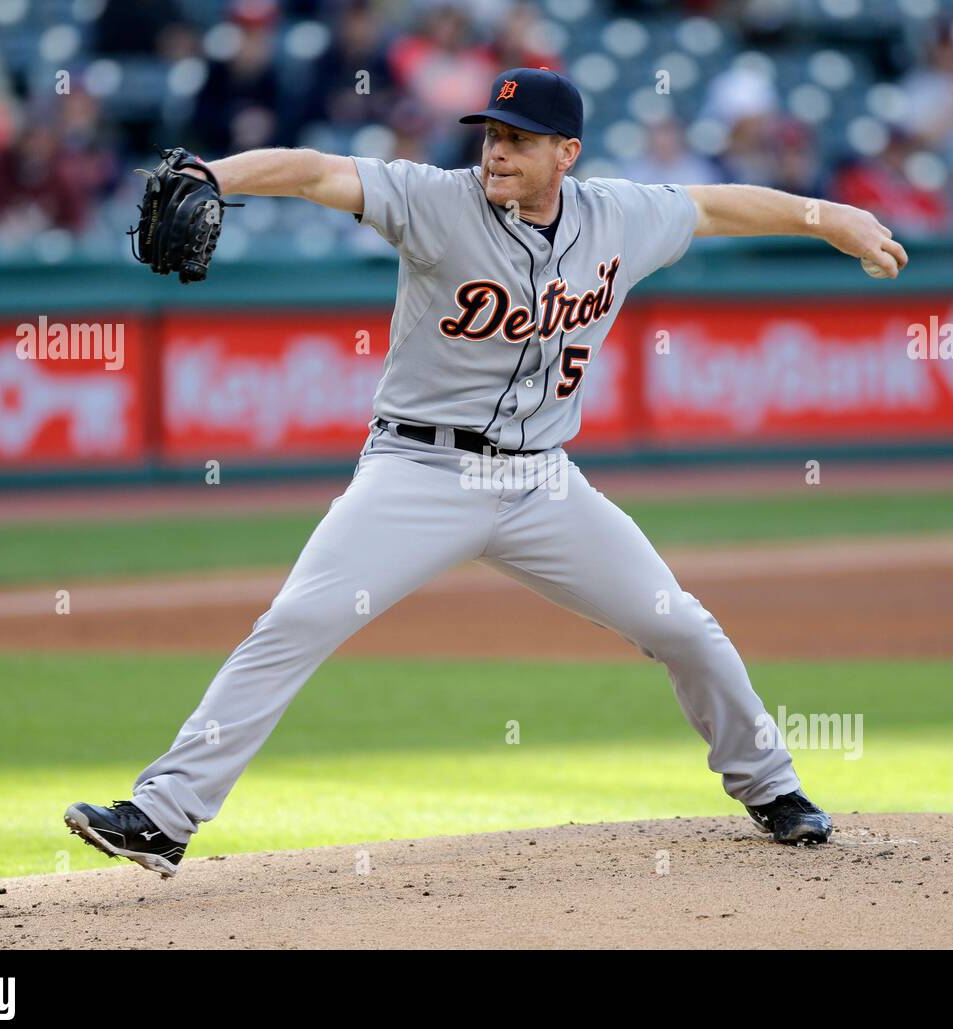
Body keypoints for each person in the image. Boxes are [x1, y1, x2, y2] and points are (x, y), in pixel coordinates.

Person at [65, 68, 907, 878]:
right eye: (491, 135)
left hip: (543, 484)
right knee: (297, 622)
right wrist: (217, 172)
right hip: (417, 472)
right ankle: (164, 816)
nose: (496, 152)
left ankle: (773, 790)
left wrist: (828, 216)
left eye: (519, 140)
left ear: (566, 154)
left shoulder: (620, 217)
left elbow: (719, 205)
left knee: (681, 626)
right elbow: (319, 172)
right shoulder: (437, 202)